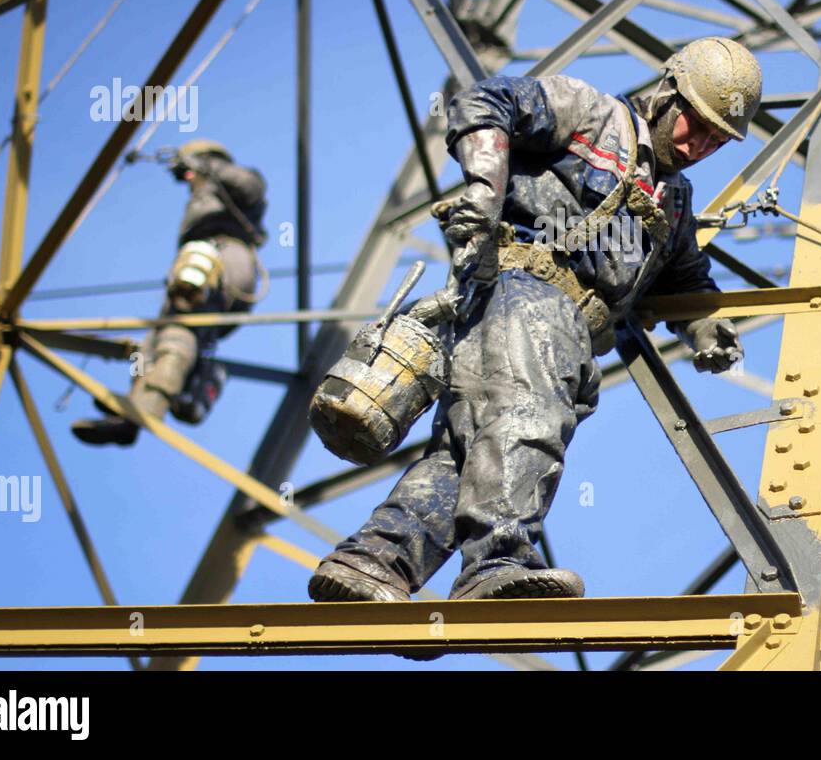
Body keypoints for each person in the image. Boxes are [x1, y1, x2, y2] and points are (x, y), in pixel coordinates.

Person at [308, 37, 760, 605]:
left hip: (566, 338)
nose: (699, 144)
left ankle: (375, 561)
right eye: (696, 124)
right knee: (527, 419)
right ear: (668, 94)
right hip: (523, 296)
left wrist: (707, 328)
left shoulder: (674, 202)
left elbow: (687, 282)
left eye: (718, 140)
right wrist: (484, 185)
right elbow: (484, 102)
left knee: (468, 448)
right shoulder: (594, 116)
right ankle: (496, 563)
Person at [70, 139, 267, 445]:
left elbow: (251, 189)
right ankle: (132, 412)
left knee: (182, 323)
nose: (188, 180)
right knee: (157, 337)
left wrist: (207, 166)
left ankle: (147, 407)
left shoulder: (232, 179)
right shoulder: (203, 194)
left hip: (225, 256)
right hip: (205, 262)